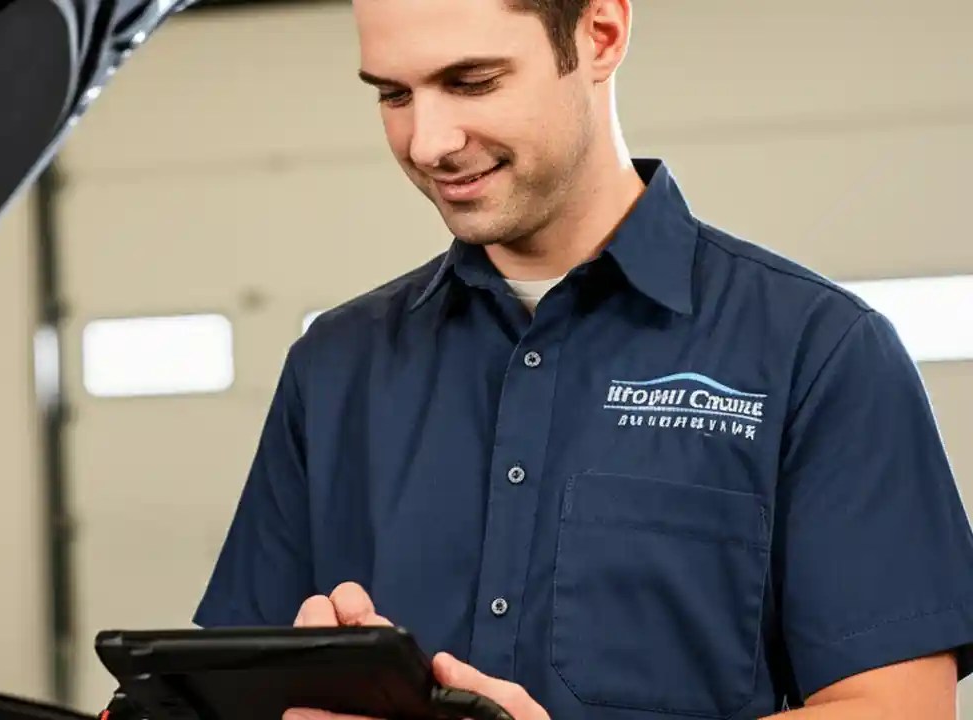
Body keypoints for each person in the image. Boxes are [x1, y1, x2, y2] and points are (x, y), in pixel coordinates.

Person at [193, 0, 973, 717]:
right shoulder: (334, 368)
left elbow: (897, 708)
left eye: (471, 82)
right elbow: (228, 693)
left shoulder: (819, 352)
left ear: (600, 34)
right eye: (393, 95)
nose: (427, 142)